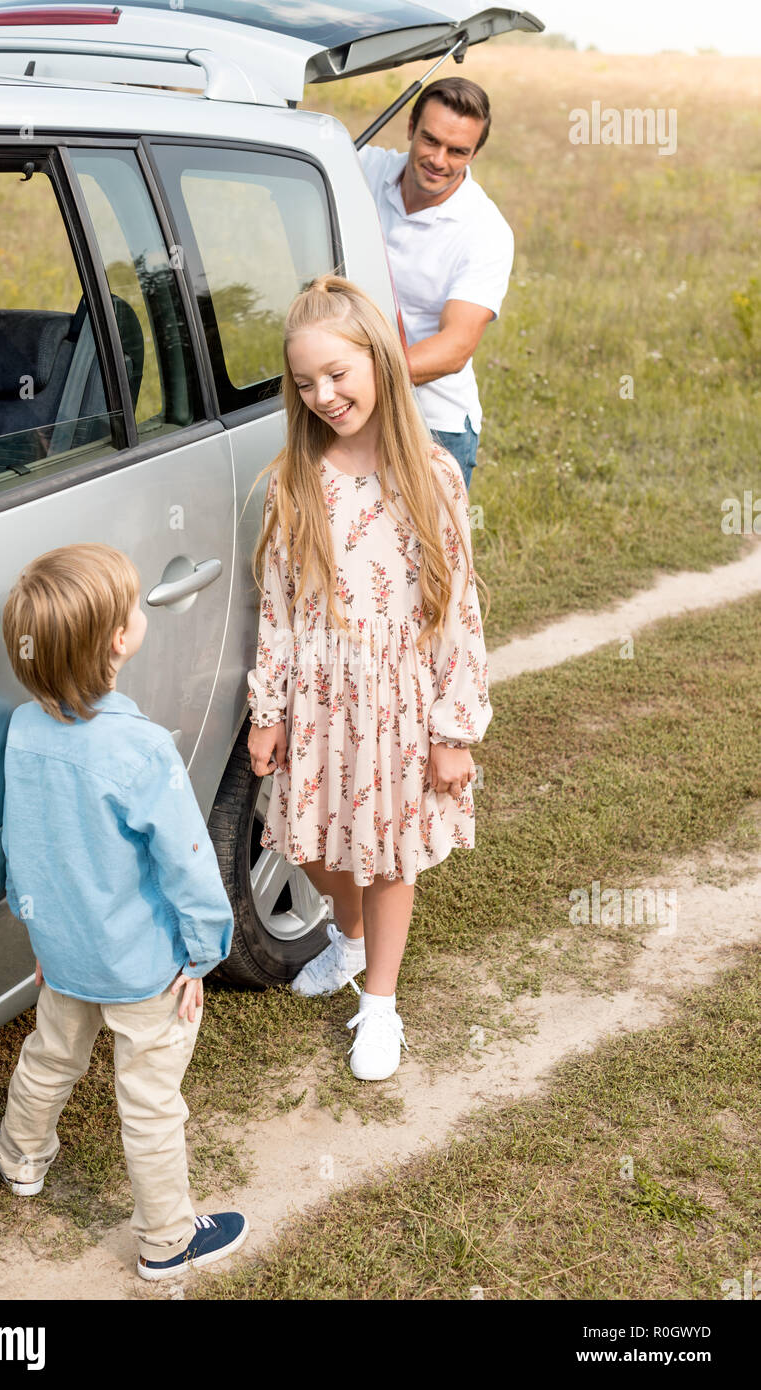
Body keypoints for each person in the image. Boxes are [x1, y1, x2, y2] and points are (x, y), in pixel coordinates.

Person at [246, 274, 492, 1082]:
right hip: (318, 695)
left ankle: (379, 1006)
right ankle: (346, 941)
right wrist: (268, 708)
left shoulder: (430, 475)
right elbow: (276, 606)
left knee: (387, 855)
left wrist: (454, 731)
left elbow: (456, 612)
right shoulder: (294, 480)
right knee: (312, 842)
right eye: (306, 382)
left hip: (399, 700)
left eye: (338, 375)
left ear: (379, 362)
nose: (323, 394)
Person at [0, 542, 247, 1282]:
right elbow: (188, 864)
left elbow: (28, 845)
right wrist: (200, 955)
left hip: (66, 954)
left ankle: (21, 1159)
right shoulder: (142, 749)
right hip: (146, 971)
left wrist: (37, 926)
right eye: (134, 607)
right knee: (148, 1099)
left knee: (50, 1057)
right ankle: (168, 1240)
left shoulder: (23, 731)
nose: (142, 613)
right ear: (117, 641)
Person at [358, 76, 514, 489]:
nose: (439, 160)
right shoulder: (363, 168)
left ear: (475, 153)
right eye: (430, 141)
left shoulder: (485, 231)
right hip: (349, 412)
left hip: (433, 426)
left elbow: (456, 347)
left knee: (426, 555)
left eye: (458, 151)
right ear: (410, 127)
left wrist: (362, 378)